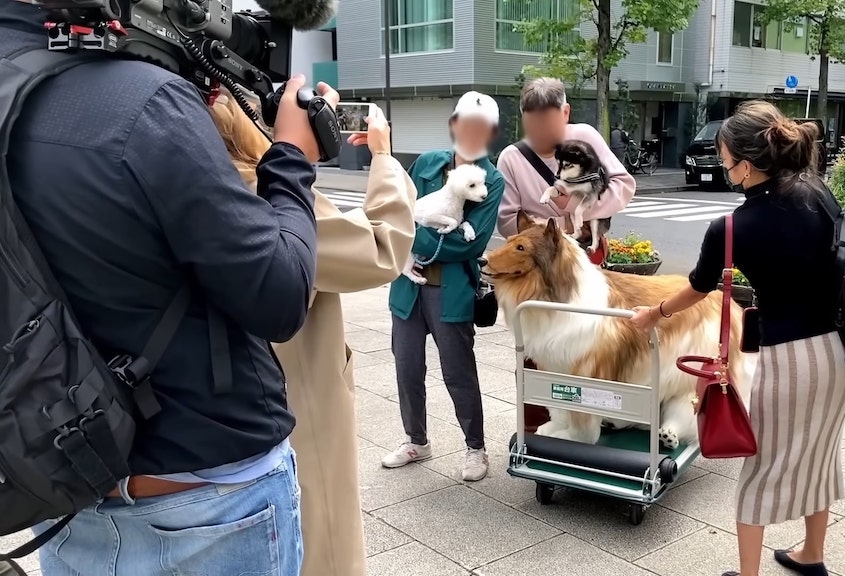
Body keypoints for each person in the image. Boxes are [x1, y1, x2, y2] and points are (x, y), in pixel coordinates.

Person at [3, 0, 333, 572]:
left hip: (60, 479)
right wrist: (293, 159)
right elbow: (280, 293)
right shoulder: (143, 101)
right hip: (206, 498)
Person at [629, 100, 845, 576]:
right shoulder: (818, 191)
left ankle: (748, 574)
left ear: (746, 167)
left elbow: (697, 287)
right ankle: (812, 554)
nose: (724, 166)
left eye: (725, 159)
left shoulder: (731, 226)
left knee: (761, 464)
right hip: (840, 352)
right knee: (819, 451)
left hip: (788, 357)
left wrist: (654, 313)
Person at [210, 96, 415, 576]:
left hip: (194, 431)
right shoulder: (263, 193)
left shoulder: (165, 183)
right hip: (289, 403)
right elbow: (384, 245)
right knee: (322, 543)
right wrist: (383, 156)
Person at [384, 91, 506, 481]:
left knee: (458, 371)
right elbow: (396, 211)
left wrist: (406, 242)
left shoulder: (493, 179)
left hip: (450, 290)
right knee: (407, 367)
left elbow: (469, 242)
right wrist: (398, 247)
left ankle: (476, 449)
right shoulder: (427, 163)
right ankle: (415, 439)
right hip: (407, 288)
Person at [496, 77, 635, 265]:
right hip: (537, 263)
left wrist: (573, 206)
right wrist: (567, 224)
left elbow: (623, 185)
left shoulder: (585, 137)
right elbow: (508, 223)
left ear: (566, 112)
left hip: (583, 258)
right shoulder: (511, 158)